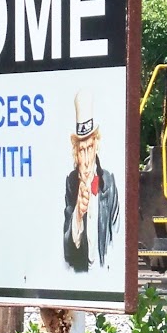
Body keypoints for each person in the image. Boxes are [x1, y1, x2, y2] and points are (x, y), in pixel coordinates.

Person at [63, 90, 121, 272]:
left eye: (89, 148)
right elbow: (66, 250)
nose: (87, 160)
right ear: (75, 153)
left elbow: (116, 236)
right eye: (81, 150)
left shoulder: (108, 182)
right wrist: (78, 215)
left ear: (96, 145)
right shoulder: (71, 183)